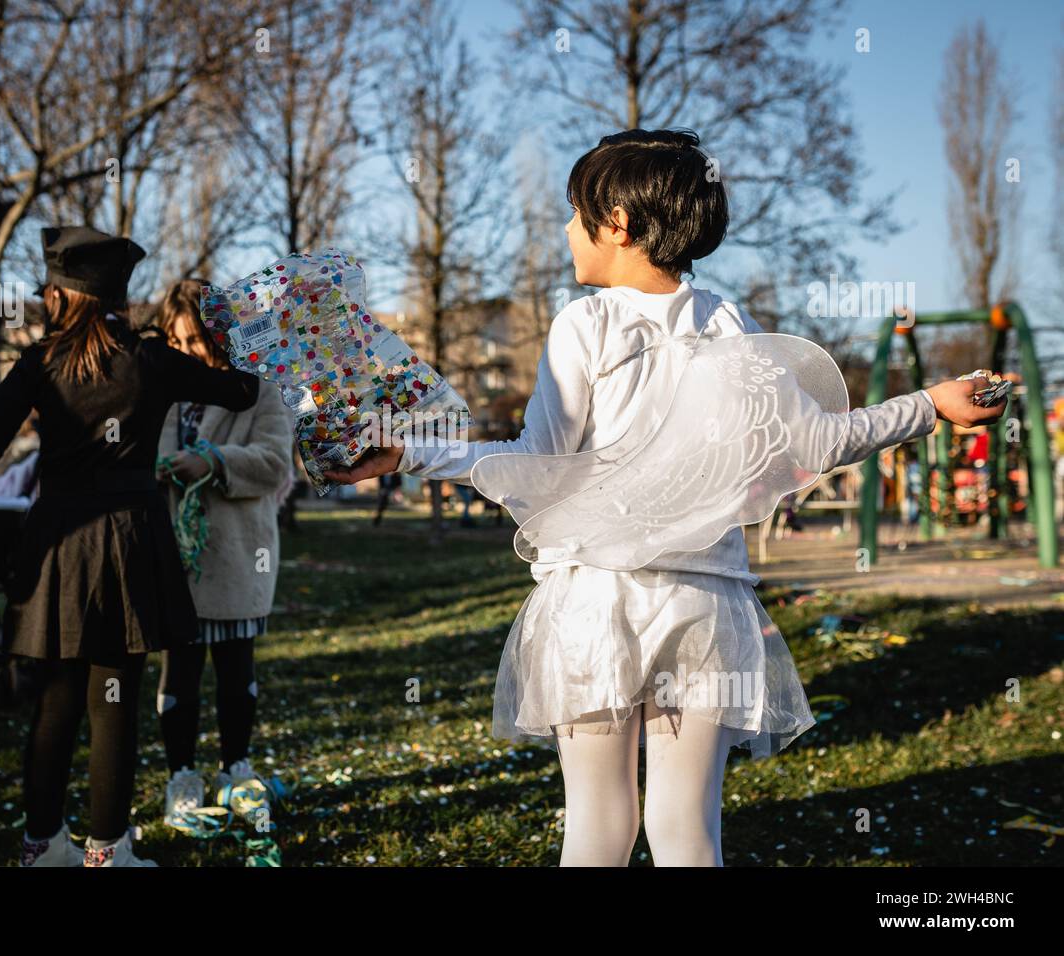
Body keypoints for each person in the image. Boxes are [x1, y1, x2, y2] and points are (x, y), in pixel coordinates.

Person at [324, 129, 1006, 866]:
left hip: (594, 603)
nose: (564, 229)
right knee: (686, 833)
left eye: (574, 212)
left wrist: (410, 449)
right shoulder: (726, 321)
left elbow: (535, 462)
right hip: (704, 606)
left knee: (597, 829)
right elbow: (819, 444)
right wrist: (930, 404)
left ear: (616, 224)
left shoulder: (585, 323)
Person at [0, 226, 260, 867]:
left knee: (57, 698)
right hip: (130, 542)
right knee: (112, 702)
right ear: (118, 294)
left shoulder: (41, 361)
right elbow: (243, 390)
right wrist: (235, 329)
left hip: (58, 544)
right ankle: (106, 854)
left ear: (62, 296)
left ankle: (42, 848)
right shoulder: (151, 358)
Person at [150, 279, 293, 825]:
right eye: (177, 342)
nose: (188, 353)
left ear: (220, 335)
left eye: (196, 340)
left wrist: (213, 462)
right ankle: (181, 775)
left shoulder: (259, 387)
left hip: (237, 555)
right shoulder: (165, 391)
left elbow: (275, 462)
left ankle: (236, 768)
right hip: (178, 558)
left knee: (237, 673)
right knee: (178, 675)